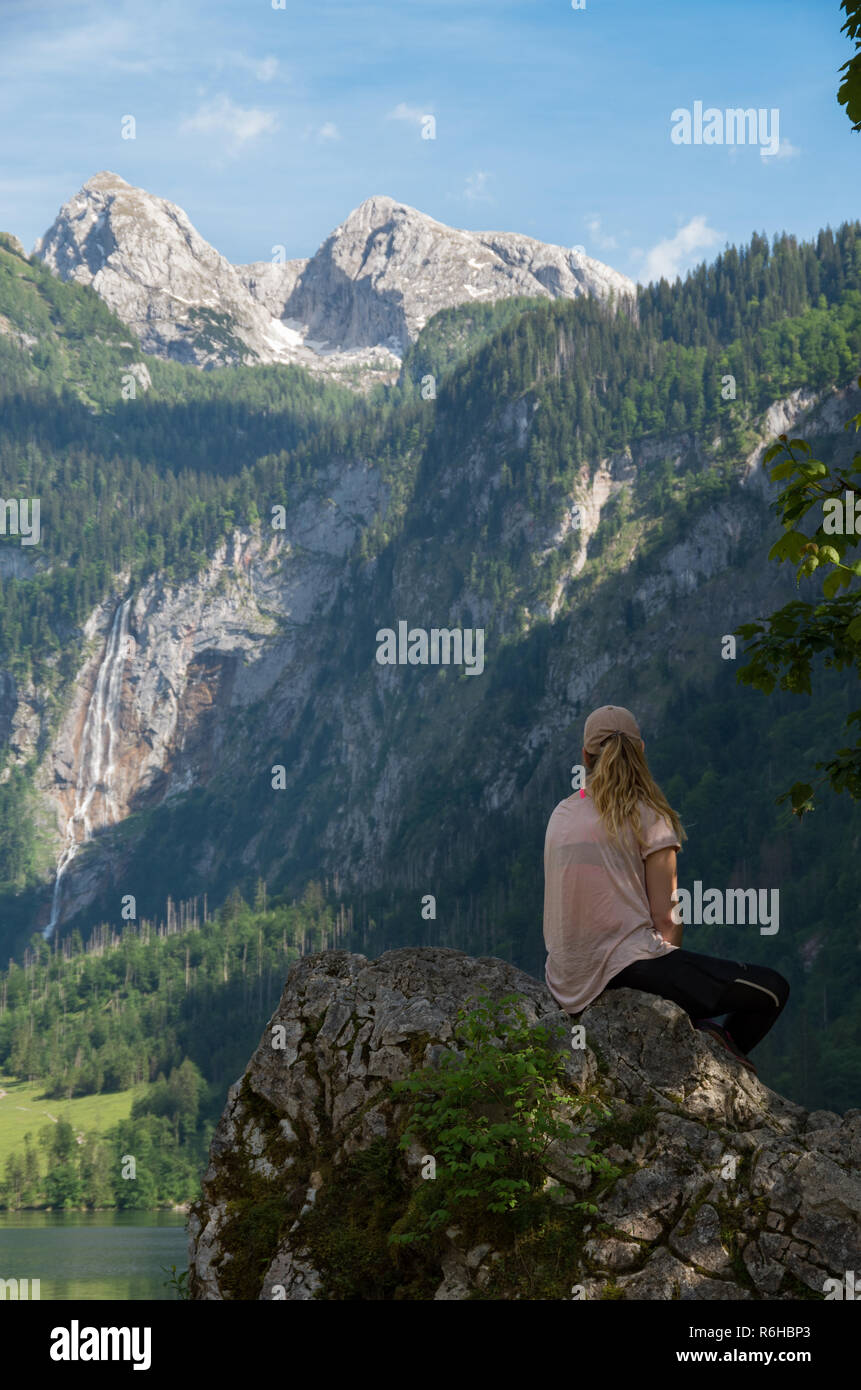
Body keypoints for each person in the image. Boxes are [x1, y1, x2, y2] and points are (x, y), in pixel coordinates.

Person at [542, 704, 789, 1074]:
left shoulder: (561, 813)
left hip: (563, 979)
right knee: (771, 990)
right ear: (640, 752)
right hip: (627, 966)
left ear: (585, 757)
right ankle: (718, 1054)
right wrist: (676, 998)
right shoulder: (647, 815)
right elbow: (666, 919)